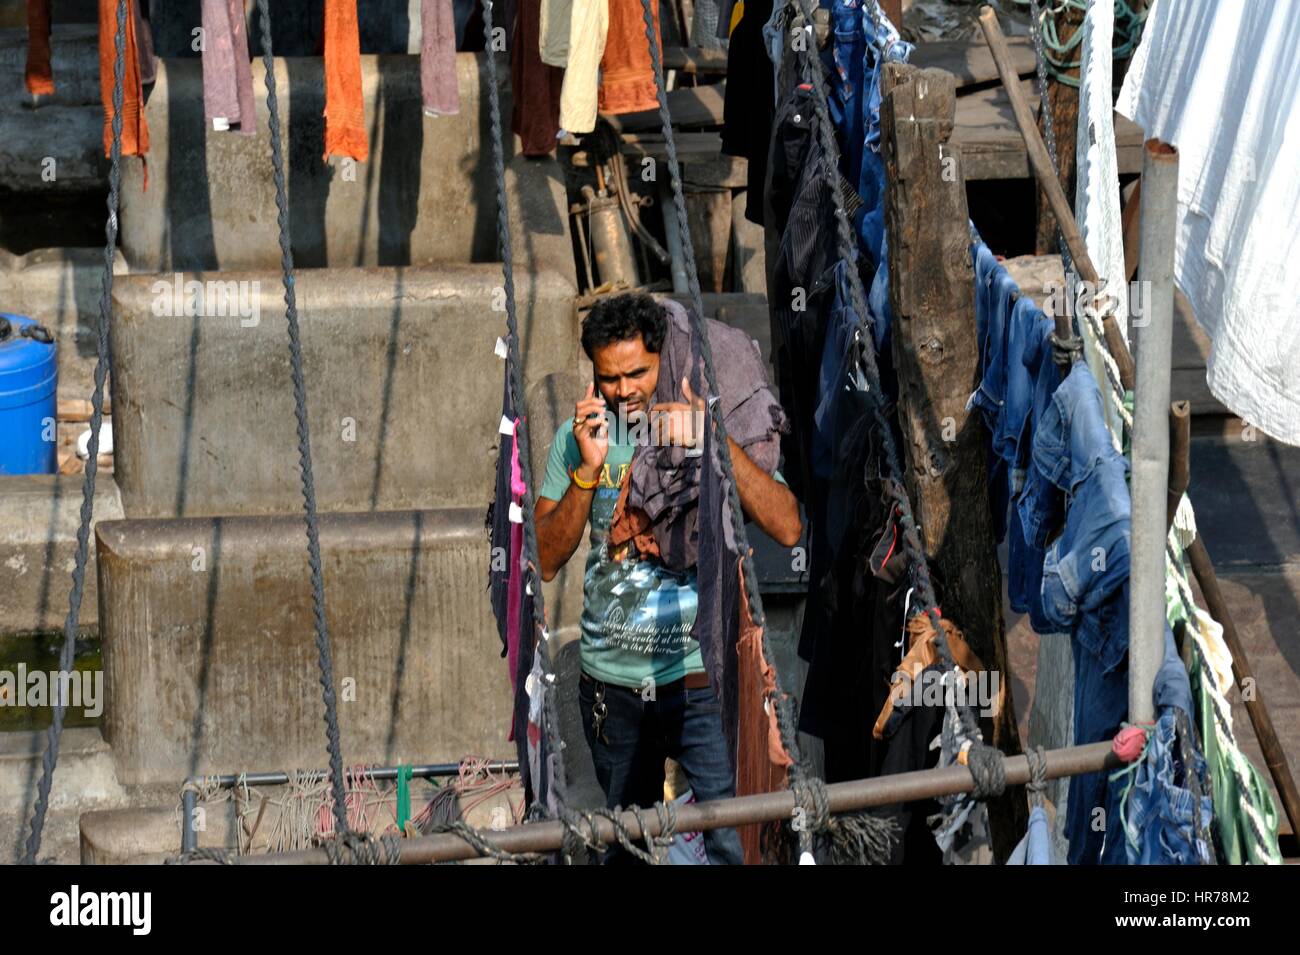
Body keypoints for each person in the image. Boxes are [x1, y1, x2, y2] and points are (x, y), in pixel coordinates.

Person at [535, 292, 800, 864]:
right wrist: (586, 470)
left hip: (700, 682)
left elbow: (786, 526)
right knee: (621, 849)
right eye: (610, 377)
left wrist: (711, 438)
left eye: (637, 372)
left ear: (663, 360)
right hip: (612, 690)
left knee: (736, 841)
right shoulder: (577, 438)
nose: (625, 389)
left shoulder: (696, 422)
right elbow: (547, 559)